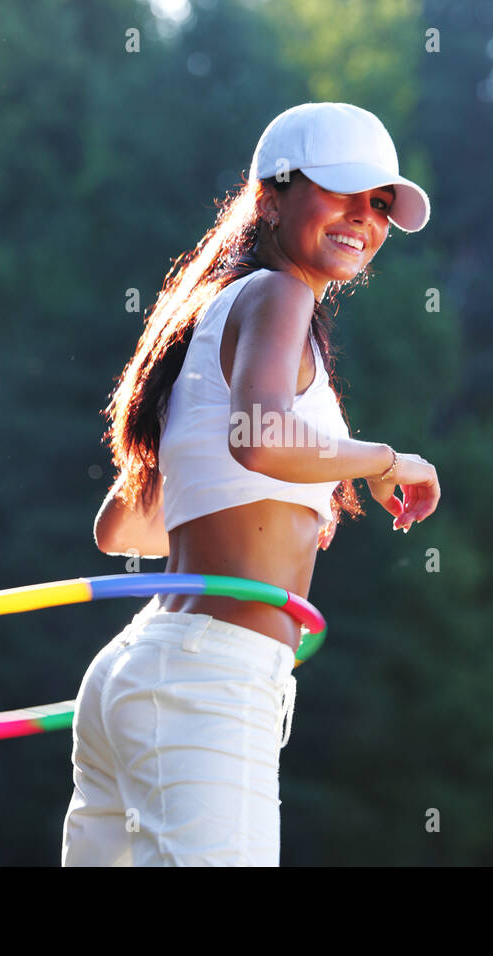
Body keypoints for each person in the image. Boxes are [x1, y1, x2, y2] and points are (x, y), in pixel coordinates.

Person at [61, 102, 440, 866]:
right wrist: (380, 460)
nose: (362, 220)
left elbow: (120, 528)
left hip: (131, 675)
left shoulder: (208, 317)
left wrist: (284, 495)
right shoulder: (280, 295)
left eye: (378, 206)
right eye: (341, 193)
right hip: (208, 673)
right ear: (270, 194)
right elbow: (261, 438)